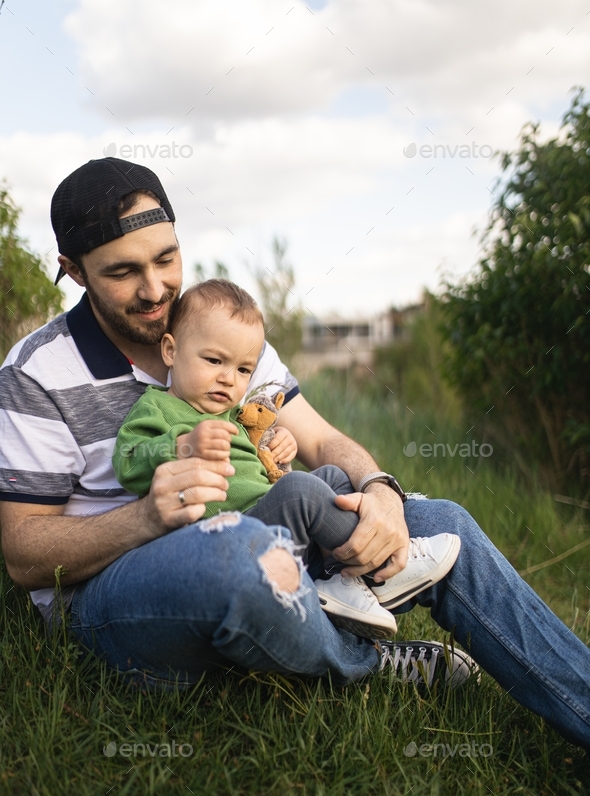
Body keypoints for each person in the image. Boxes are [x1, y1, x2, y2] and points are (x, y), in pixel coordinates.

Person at [0, 158, 588, 751]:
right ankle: (369, 660)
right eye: (124, 272)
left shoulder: (221, 335)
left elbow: (321, 441)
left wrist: (382, 491)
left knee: (440, 522)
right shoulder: (36, 374)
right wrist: (148, 517)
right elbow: (24, 556)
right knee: (238, 553)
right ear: (74, 271)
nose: (154, 290)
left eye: (165, 259)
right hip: (114, 595)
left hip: (256, 526)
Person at [111, 277, 460, 639]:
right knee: (299, 491)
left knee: (330, 477)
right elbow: (128, 461)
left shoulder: (236, 415)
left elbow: (262, 461)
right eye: (214, 360)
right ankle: (382, 570)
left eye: (243, 369)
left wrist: (280, 444)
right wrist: (183, 444)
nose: (228, 379)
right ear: (171, 350)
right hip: (234, 533)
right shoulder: (157, 407)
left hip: (275, 519)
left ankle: (335, 582)